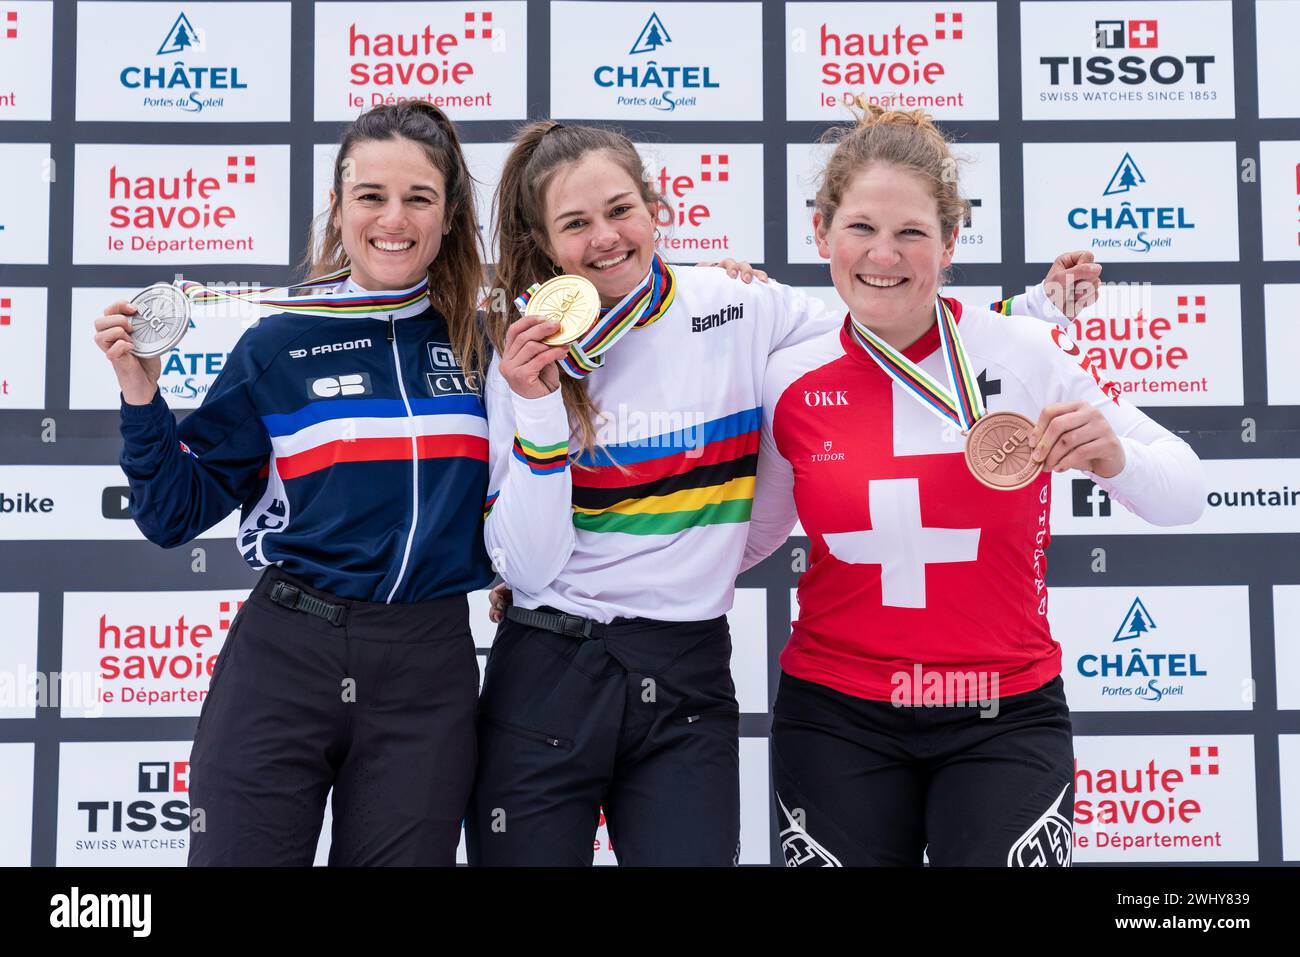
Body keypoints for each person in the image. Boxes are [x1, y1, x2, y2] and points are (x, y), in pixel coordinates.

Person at [467, 119, 1077, 866]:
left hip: (682, 668)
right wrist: (535, 404)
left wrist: (1030, 315)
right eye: (576, 223)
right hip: (548, 670)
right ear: (543, 237)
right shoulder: (526, 355)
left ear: (658, 208)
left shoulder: (735, 304)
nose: (605, 238)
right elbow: (528, 570)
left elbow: (883, 326)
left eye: (621, 209)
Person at [742, 103, 1206, 867]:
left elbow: (1184, 492)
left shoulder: (1026, 352)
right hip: (837, 714)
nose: (882, 255)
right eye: (860, 228)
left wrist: (1114, 456)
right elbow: (751, 532)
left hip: (1003, 714)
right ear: (821, 232)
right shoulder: (786, 375)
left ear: (952, 242)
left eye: (912, 233)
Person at [92, 102, 492, 866]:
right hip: (288, 654)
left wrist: (729, 290)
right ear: (339, 209)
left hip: (427, 663)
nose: (393, 219)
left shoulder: (488, 343)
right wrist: (142, 396)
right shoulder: (279, 341)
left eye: (420, 197)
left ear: (449, 216)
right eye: (371, 195)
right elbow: (174, 513)